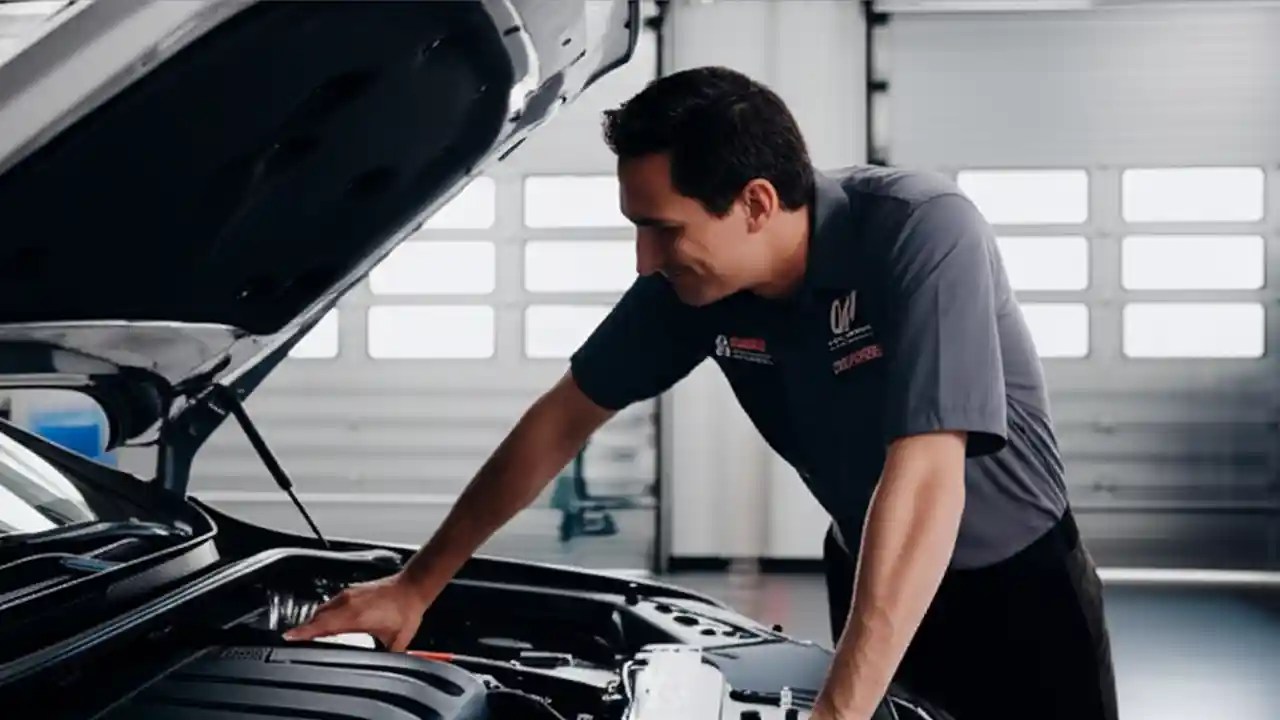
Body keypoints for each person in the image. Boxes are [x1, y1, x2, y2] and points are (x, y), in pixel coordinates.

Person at [284, 66, 1118, 720]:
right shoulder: (690, 291)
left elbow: (928, 474)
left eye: (663, 229)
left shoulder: (921, 230)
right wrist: (418, 584)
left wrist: (836, 714)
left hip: (1020, 591)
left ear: (756, 203)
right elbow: (558, 422)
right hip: (872, 571)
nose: (644, 260)